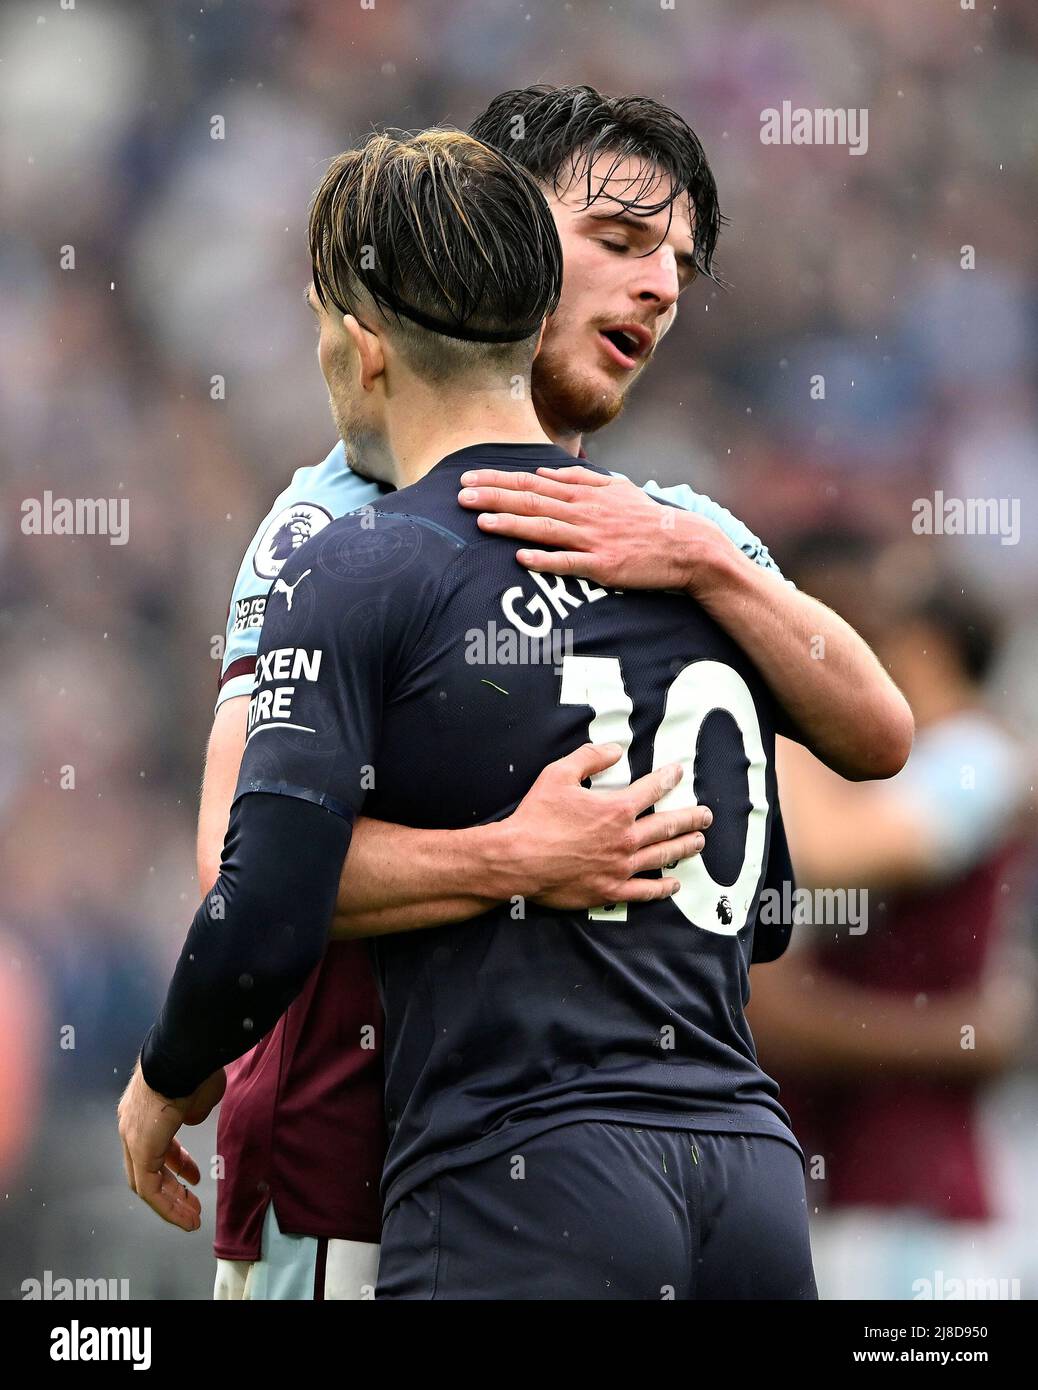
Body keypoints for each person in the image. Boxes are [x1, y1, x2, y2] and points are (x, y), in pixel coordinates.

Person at [192, 86, 910, 1300]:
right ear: (504, 233)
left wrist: (700, 561)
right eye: (622, 244)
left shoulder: (680, 532)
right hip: (355, 1194)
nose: (663, 288)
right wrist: (514, 858)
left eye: (681, 263)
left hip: (625, 1190)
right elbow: (234, 869)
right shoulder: (331, 524)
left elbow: (875, 729)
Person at [746, 534, 1035, 1299]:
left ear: (923, 650)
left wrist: (766, 716)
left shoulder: (973, 759)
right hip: (853, 1196)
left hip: (918, 1219)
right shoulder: (909, 775)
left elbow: (834, 849)